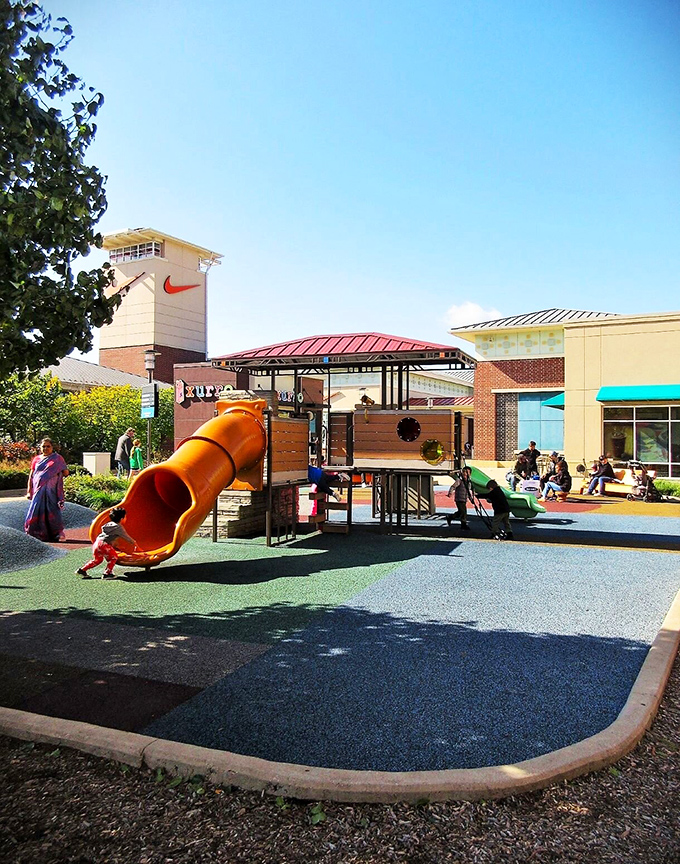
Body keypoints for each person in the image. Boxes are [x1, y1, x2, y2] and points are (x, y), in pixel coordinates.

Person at [24, 438, 70, 542]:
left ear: (52, 447)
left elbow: (66, 473)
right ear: (40, 448)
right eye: (43, 446)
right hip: (38, 490)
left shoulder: (57, 459)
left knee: (52, 510)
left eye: (48, 446)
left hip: (51, 491)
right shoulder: (36, 459)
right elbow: (31, 476)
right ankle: (34, 533)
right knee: (36, 509)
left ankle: (56, 533)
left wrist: (55, 472)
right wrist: (29, 491)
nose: (45, 448)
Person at [76, 507, 138, 580]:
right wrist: (134, 543)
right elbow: (126, 537)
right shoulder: (118, 527)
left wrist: (115, 547)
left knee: (98, 560)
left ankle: (82, 570)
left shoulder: (108, 525)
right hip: (103, 544)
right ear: (122, 518)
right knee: (113, 557)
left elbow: (109, 538)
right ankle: (107, 573)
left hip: (97, 543)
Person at [446, 466, 471, 530]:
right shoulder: (459, 480)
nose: (465, 474)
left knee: (460, 512)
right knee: (463, 512)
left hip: (464, 499)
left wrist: (470, 497)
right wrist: (450, 492)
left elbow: (468, 490)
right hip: (459, 498)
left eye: (467, 472)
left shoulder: (468, 482)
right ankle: (463, 524)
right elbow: (453, 486)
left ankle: (450, 517)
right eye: (464, 472)